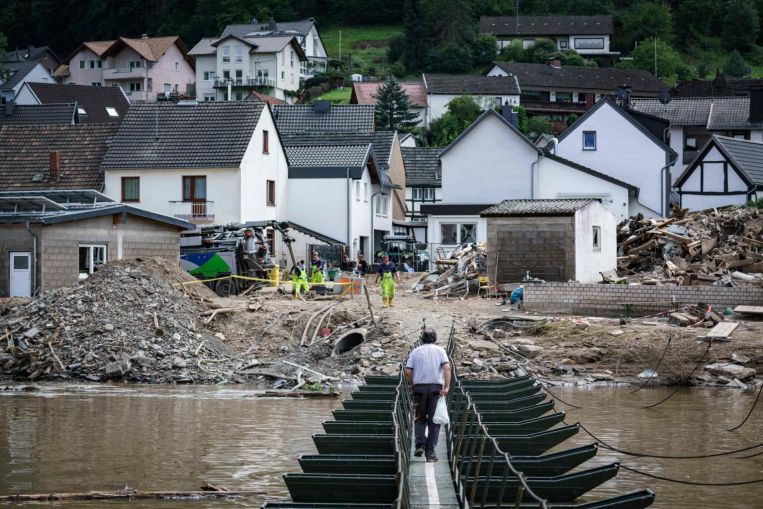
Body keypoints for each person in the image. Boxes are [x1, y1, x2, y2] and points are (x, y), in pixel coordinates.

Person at [405, 328, 451, 462]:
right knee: (434, 421)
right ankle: (430, 454)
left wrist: (413, 383)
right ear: (435, 339)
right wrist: (447, 386)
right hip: (436, 389)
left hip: (419, 388)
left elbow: (408, 371)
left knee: (419, 417)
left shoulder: (416, 351)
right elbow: (447, 368)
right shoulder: (440, 351)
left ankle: (420, 444)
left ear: (422, 339)